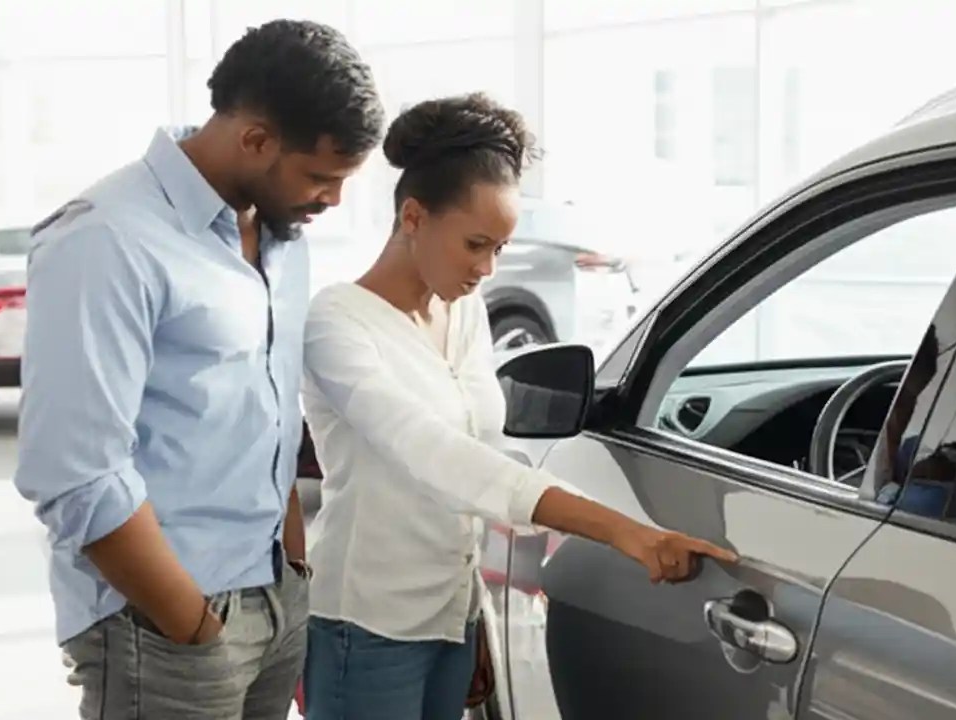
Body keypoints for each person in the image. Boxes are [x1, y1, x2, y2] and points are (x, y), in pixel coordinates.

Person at [300, 93, 738, 720]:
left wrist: (473, 611)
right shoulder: (336, 322)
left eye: (500, 248)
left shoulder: (464, 311)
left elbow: (489, 451)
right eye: (475, 244)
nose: (487, 267)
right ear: (413, 217)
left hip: (448, 615)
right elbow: (437, 457)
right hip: (368, 626)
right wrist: (620, 531)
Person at [12, 20, 384, 720]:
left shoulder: (281, 235)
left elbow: (268, 410)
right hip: (165, 624)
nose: (331, 200)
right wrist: (189, 623)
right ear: (254, 140)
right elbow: (74, 472)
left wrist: (293, 572)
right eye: (321, 177)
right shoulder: (106, 237)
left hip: (274, 598)